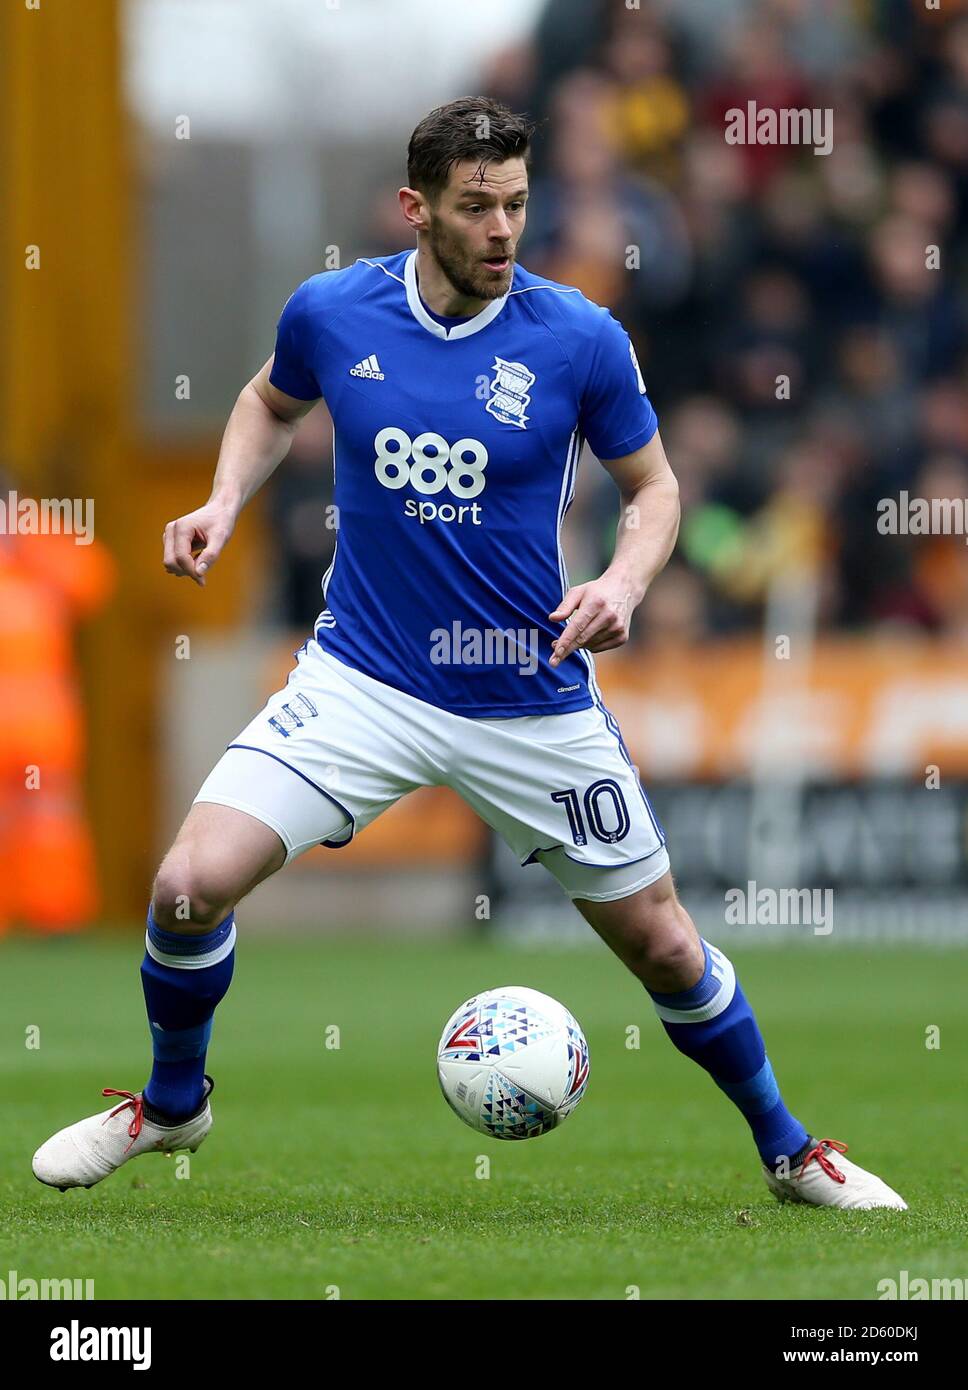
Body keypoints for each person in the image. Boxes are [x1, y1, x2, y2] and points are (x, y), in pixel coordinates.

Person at [33, 97, 904, 1210]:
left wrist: (624, 580)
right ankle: (171, 1103)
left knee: (666, 949)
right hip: (362, 679)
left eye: (517, 205)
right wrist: (218, 500)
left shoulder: (578, 336)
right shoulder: (332, 314)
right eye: (476, 207)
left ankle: (790, 1150)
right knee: (187, 885)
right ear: (415, 210)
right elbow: (267, 399)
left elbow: (654, 490)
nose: (502, 230)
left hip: (527, 695)